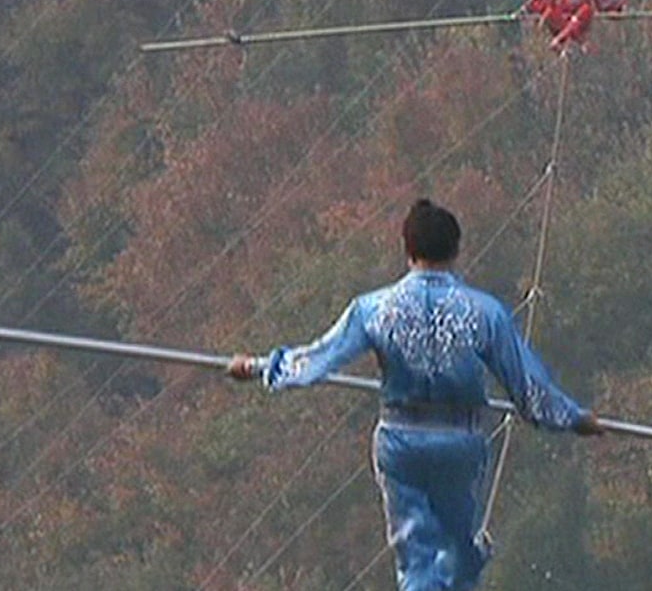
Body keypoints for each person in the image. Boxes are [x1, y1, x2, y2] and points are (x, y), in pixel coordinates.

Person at [227, 199, 604, 591]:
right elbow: (528, 387)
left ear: (407, 251)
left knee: (416, 554)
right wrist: (575, 418)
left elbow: (320, 357)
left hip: (400, 441)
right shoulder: (483, 313)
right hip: (460, 442)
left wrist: (256, 367)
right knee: (458, 550)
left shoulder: (374, 309)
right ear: (456, 250)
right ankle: (467, 564)